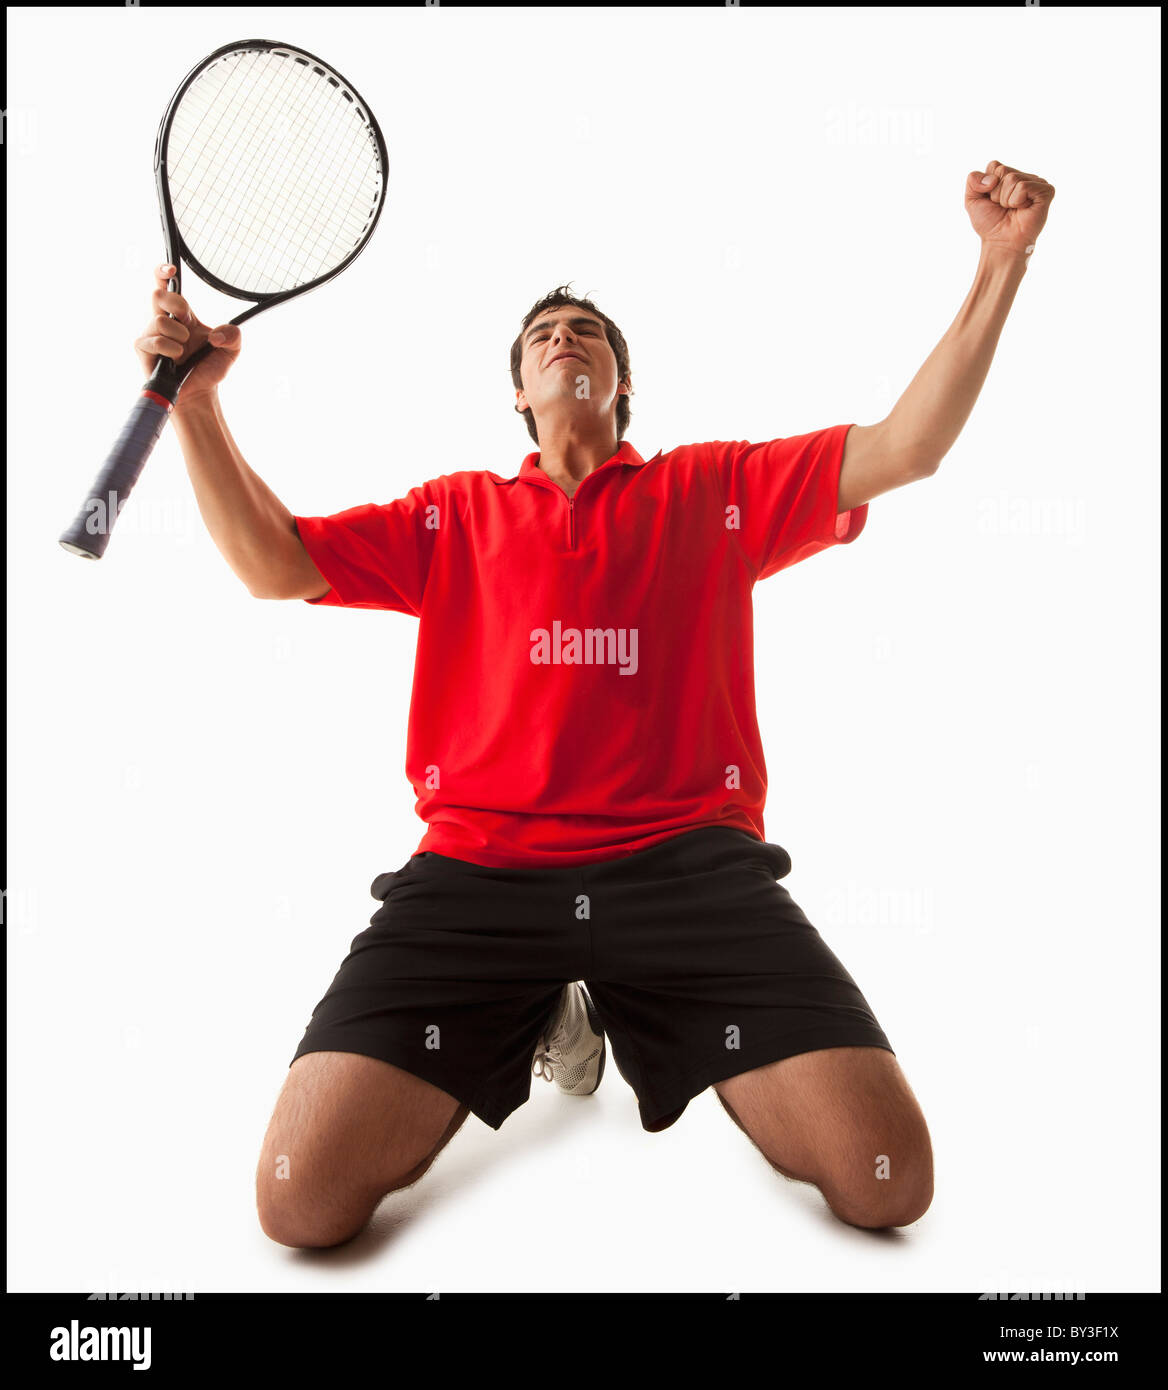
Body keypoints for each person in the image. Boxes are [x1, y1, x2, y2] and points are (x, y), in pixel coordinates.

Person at [132, 161, 1053, 1250]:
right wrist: (195, 408)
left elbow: (909, 447)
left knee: (885, 1183)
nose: (562, 339)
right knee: (298, 1202)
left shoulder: (714, 490)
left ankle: (613, 989)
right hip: (477, 876)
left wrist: (1002, 260)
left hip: (689, 873)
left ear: (620, 382)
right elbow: (274, 565)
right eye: (540, 336)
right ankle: (554, 1002)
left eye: (586, 332)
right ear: (519, 394)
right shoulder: (454, 515)